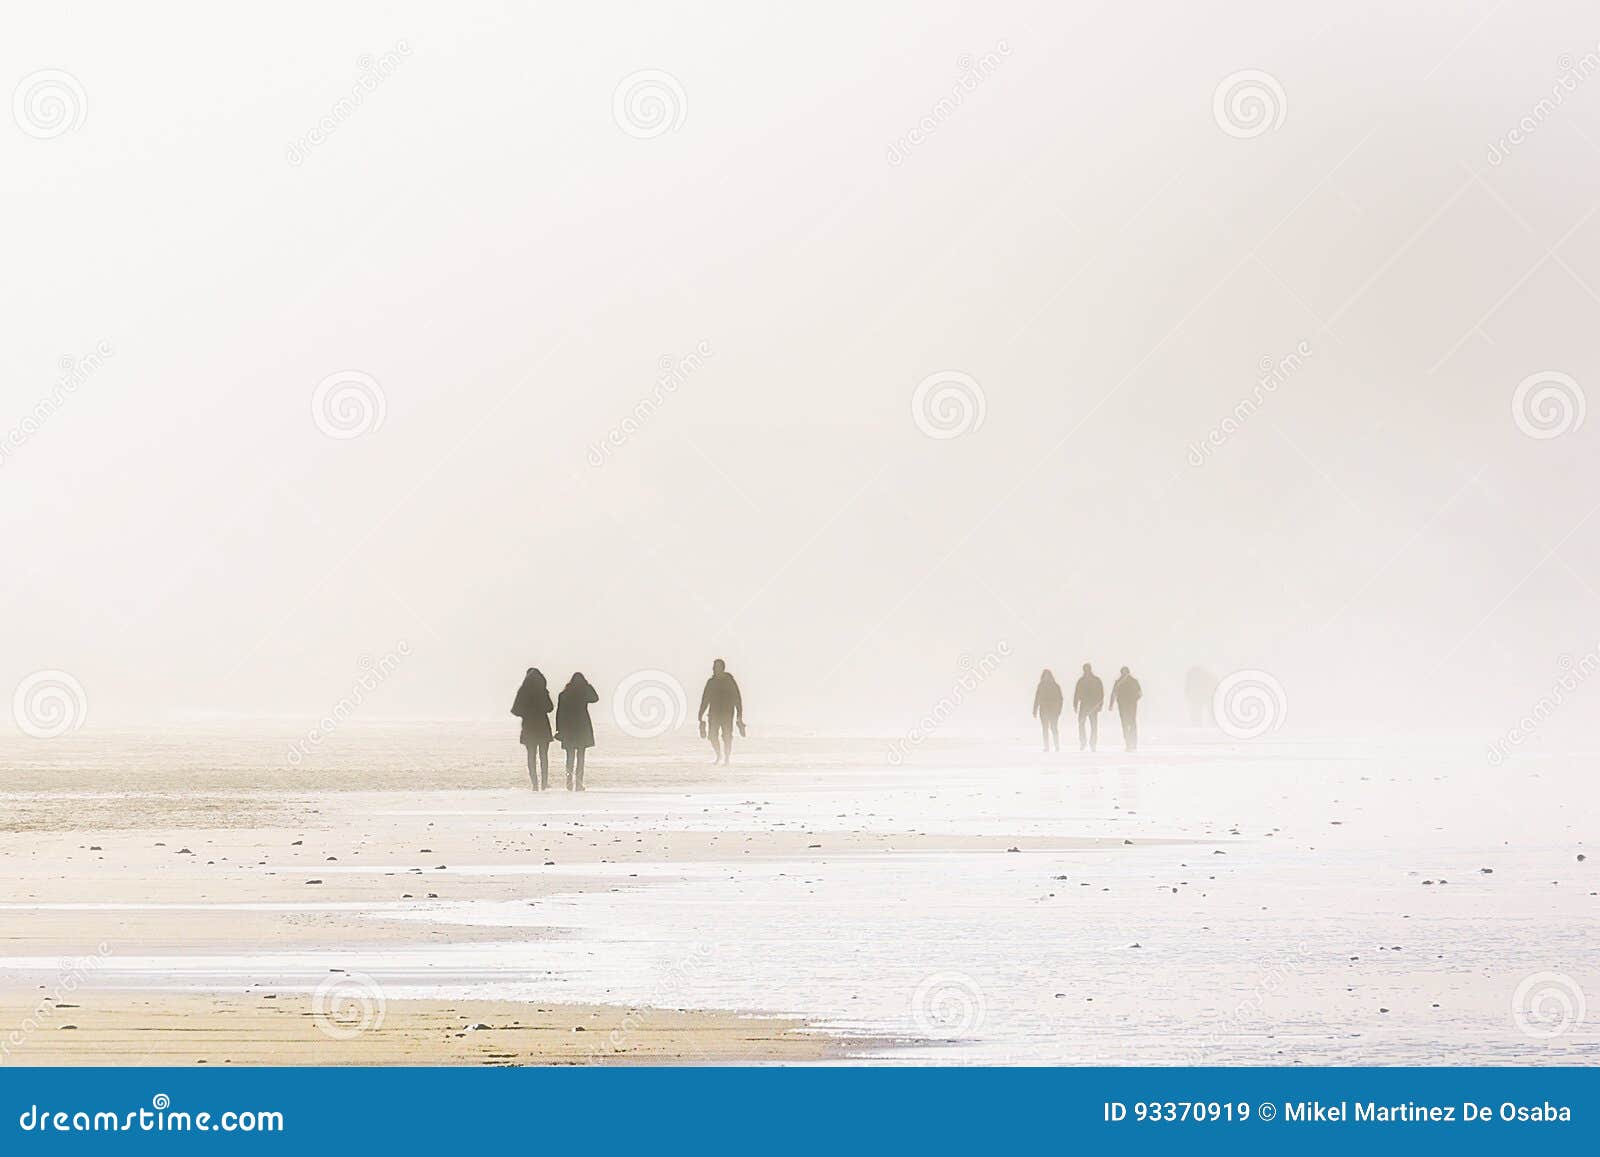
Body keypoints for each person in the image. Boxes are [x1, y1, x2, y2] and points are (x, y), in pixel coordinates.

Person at [511, 667, 554, 790]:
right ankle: (544, 783)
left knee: (531, 756)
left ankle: (534, 784)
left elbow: (515, 710)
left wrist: (526, 713)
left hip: (529, 727)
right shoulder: (542, 691)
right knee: (543, 756)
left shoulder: (523, 691)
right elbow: (550, 707)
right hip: (542, 727)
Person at [697, 658, 745, 765]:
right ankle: (718, 755)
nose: (713, 669)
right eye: (714, 667)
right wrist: (700, 714)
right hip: (713, 714)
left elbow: (737, 697)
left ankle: (727, 758)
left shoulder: (729, 681)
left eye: (716, 667)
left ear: (722, 668)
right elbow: (705, 698)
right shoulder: (711, 682)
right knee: (712, 736)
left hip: (727, 714)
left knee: (727, 736)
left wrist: (739, 714)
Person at [555, 672, 598, 790]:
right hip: (582, 728)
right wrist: (588, 685)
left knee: (569, 757)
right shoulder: (583, 694)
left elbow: (559, 713)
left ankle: (569, 783)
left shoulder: (563, 694)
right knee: (580, 758)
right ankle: (579, 784)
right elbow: (595, 698)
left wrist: (559, 729)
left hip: (568, 729)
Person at [1109, 665, 1142, 752]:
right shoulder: (1129, 681)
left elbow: (1140, 694)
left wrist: (1134, 700)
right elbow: (1114, 693)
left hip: (1129, 706)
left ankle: (1132, 743)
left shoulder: (1131, 681)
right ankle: (1129, 743)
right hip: (1126, 706)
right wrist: (1111, 704)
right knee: (1127, 724)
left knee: (1130, 724)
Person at [1072, 662, 1104, 752]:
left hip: (1091, 706)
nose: (1086, 671)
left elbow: (1101, 693)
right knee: (1084, 724)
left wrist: (1100, 704)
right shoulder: (1083, 680)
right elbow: (1077, 693)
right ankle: (1085, 743)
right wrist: (1075, 704)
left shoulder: (1092, 680)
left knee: (1092, 725)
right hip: (1086, 706)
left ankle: (1091, 743)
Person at [1031, 669, 1063, 751]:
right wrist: (1035, 709)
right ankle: (1047, 746)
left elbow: (1060, 699)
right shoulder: (1041, 686)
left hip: (1053, 711)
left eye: (1048, 675)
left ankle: (1056, 746)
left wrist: (1059, 710)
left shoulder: (1055, 686)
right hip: (1044, 710)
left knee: (1053, 728)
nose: (1047, 677)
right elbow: (1037, 698)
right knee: (1045, 728)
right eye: (1045, 676)